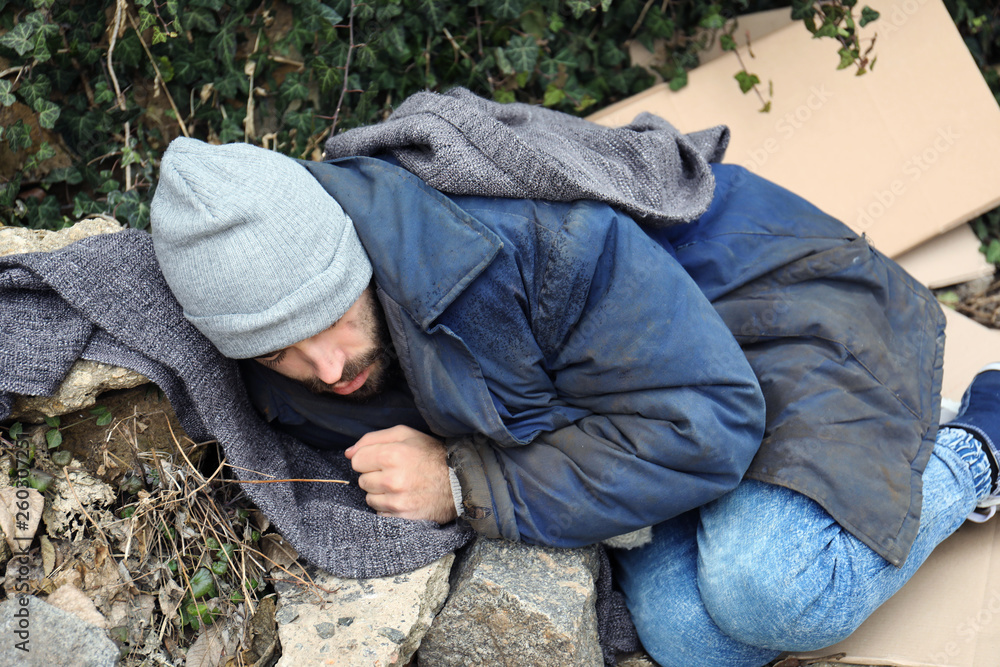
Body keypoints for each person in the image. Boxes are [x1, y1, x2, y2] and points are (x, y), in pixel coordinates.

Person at [149, 98, 999, 667]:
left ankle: (975, 444)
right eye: (278, 354)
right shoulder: (284, 346)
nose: (326, 370)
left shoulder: (520, 245)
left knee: (771, 588)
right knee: (683, 636)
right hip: (643, 391)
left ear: (350, 253)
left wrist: (460, 479)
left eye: (327, 319)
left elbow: (710, 420)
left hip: (779, 319)